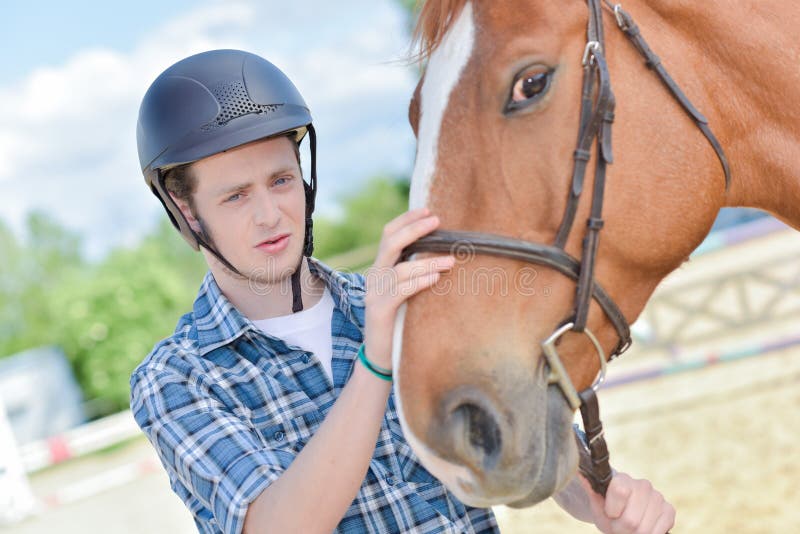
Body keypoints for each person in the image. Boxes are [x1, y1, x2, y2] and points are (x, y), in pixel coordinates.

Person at [130, 49, 676, 534]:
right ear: (187, 213)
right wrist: (375, 357)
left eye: (280, 180)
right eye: (235, 197)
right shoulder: (176, 379)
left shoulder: (397, 300)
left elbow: (511, 429)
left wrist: (599, 503)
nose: (271, 214)